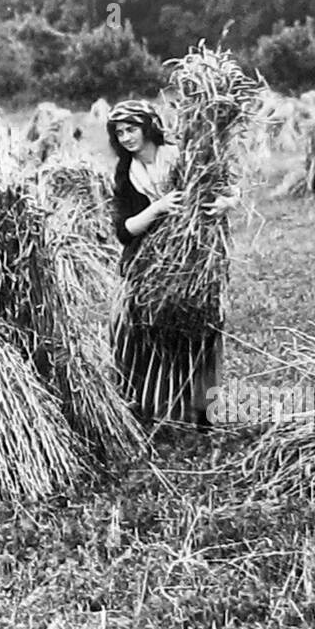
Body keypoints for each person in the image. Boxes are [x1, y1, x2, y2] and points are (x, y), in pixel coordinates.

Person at [107, 100, 239, 429]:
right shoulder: (126, 172)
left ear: (148, 126)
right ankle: (143, 406)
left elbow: (230, 187)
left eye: (131, 129)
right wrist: (159, 207)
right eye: (119, 132)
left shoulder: (182, 155)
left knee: (198, 328)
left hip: (193, 260)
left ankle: (201, 414)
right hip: (146, 263)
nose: (125, 137)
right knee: (130, 326)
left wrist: (225, 204)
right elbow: (124, 231)